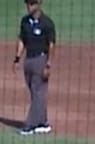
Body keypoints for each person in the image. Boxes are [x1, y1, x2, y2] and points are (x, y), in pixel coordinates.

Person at [13, 0, 56, 135]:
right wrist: (17, 58)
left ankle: (31, 124)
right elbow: (22, 40)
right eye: (27, 3)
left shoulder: (47, 23)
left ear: (39, 4)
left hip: (40, 59)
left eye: (31, 3)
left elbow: (51, 44)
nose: (28, 6)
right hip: (29, 60)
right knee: (35, 91)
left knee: (38, 91)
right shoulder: (25, 22)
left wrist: (48, 64)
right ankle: (42, 122)